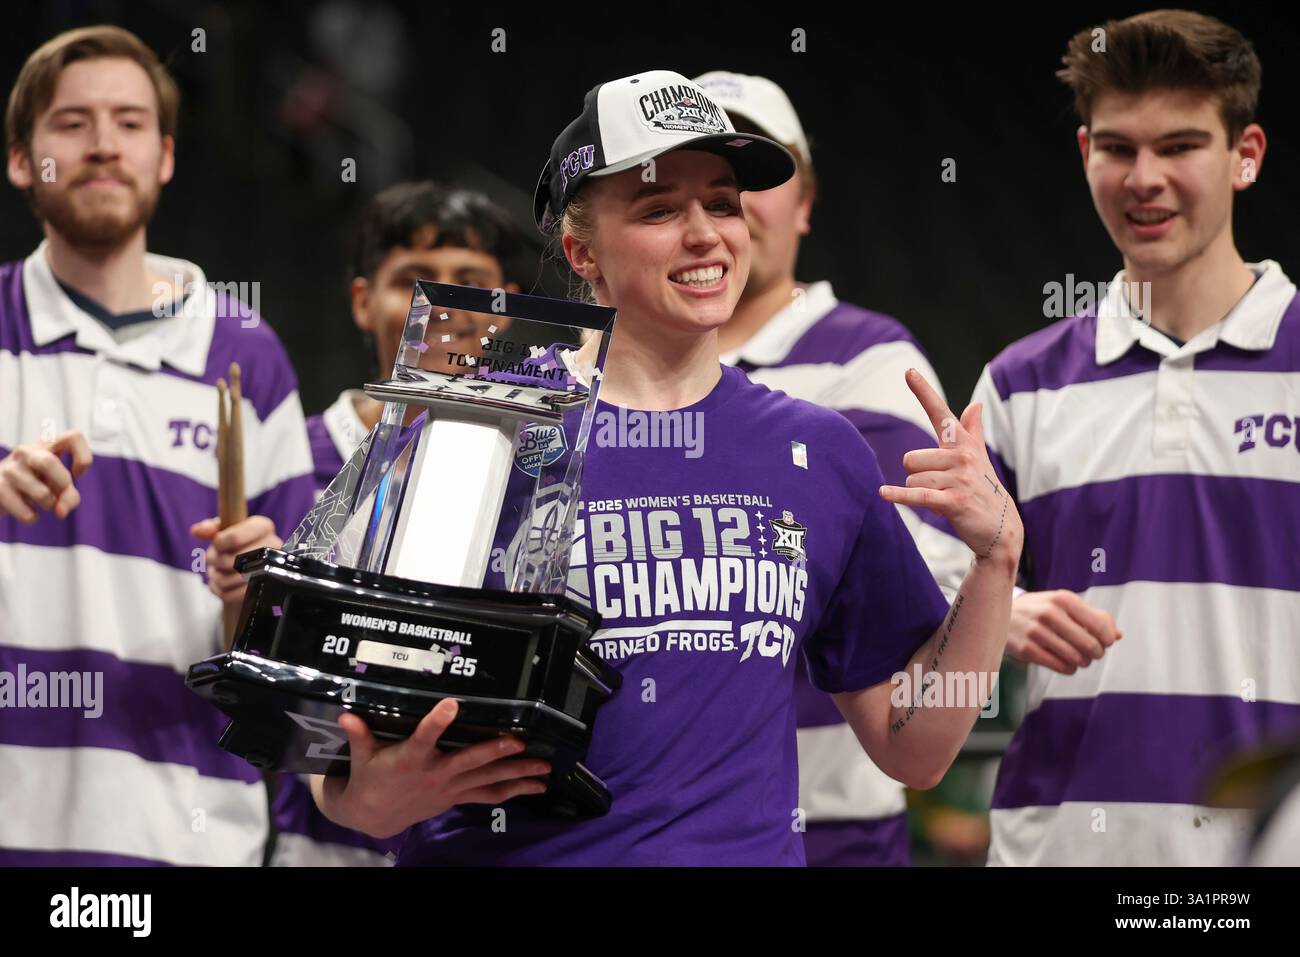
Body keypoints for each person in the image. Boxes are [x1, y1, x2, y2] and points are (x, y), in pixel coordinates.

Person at [309, 69, 1023, 865]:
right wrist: (370, 796)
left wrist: (996, 561)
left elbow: (913, 746)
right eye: (659, 209)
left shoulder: (818, 451)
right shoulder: (473, 423)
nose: (706, 233)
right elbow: (335, 761)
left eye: (722, 202)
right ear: (582, 250)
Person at [968, 10, 1300, 865]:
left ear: (1246, 154)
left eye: (1181, 145)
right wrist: (994, 612)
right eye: (1118, 149)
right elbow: (919, 602)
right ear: (1086, 156)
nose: (1143, 178)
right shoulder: (1018, 385)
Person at [0, 26, 315, 865]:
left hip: (188, 842)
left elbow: (295, 652)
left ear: (167, 156)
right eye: (72, 123)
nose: (103, 145)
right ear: (22, 160)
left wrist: (256, 593)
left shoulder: (249, 355)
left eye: (130, 122)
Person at [694, 70, 972, 866]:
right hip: (652, 824)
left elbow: (917, 587)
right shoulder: (604, 372)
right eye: (708, 178)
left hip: (833, 824)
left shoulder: (875, 359)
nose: (733, 202)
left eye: (759, 172)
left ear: (805, 203)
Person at [270, 180, 525, 866]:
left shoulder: (537, 477)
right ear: (362, 301)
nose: (446, 304)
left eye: (472, 282)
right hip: (319, 845)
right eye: (414, 280)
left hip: (483, 843)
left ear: (510, 313)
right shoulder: (288, 455)